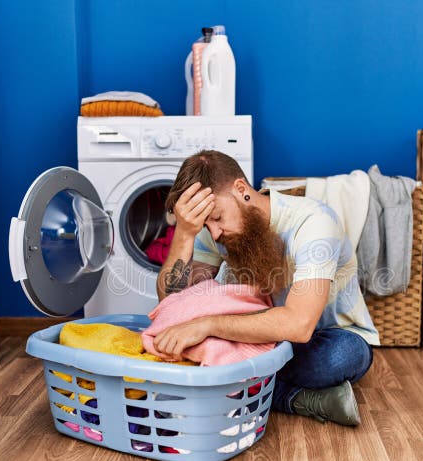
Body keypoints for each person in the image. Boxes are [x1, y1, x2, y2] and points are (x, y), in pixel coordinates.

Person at [153, 150, 378, 426]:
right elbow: (174, 304)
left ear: (241, 190)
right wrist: (184, 235)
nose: (214, 233)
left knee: (343, 355)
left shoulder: (313, 221)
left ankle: (230, 390)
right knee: (188, 336)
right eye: (204, 224)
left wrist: (207, 325)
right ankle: (296, 397)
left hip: (323, 337)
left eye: (218, 217)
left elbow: (299, 325)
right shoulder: (214, 233)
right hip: (256, 341)